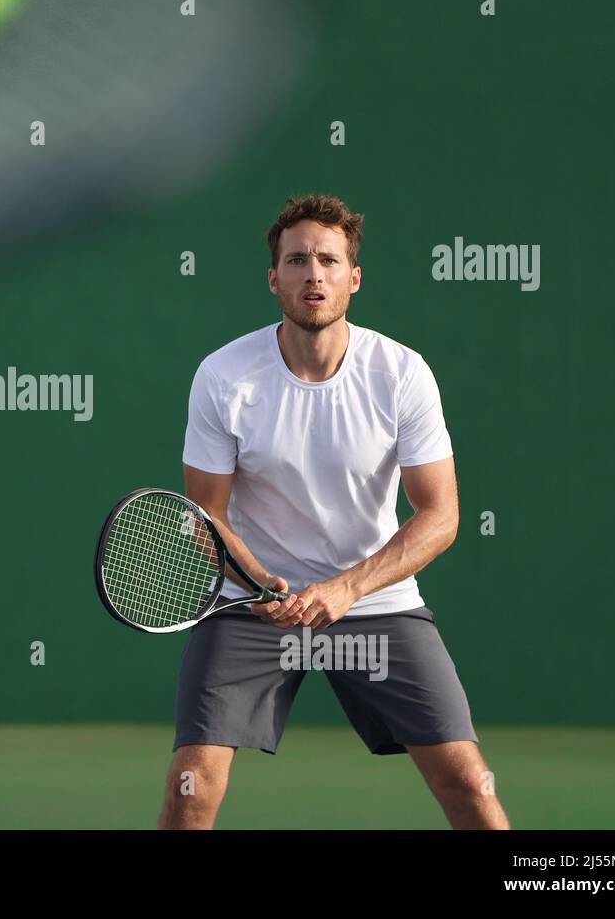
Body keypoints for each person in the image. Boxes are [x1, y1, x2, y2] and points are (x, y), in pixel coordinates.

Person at [159, 194, 509, 829]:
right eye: (296, 260)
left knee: (470, 784)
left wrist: (346, 588)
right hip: (253, 604)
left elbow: (440, 516)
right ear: (274, 279)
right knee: (191, 789)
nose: (312, 274)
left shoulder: (402, 374)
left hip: (372, 600)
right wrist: (257, 583)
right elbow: (203, 515)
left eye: (327, 260)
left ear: (353, 277)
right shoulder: (224, 376)